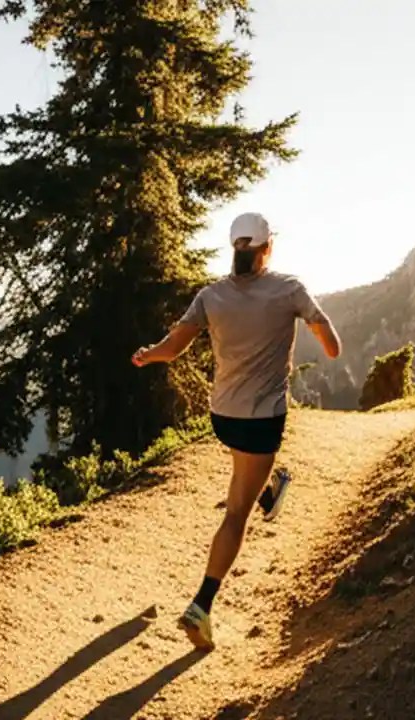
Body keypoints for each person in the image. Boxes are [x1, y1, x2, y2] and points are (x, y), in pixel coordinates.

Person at [131, 212, 342, 651]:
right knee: (237, 512)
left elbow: (171, 349)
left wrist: (146, 356)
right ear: (268, 248)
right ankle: (201, 605)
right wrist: (320, 331)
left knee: (244, 469)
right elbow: (330, 342)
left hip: (223, 416)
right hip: (262, 419)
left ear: (234, 249)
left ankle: (269, 489)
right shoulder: (289, 289)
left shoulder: (211, 296)